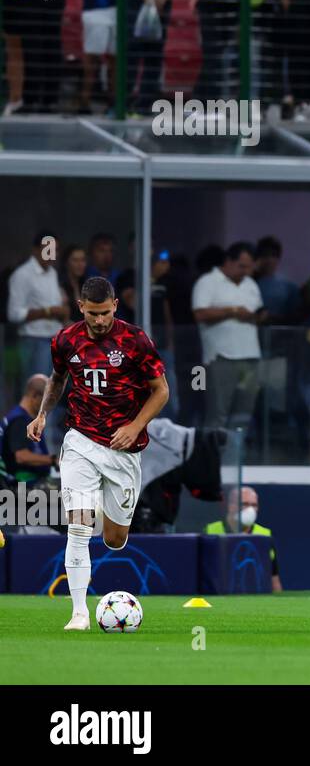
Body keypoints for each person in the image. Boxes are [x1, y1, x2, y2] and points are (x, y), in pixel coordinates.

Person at [28, 276, 169, 630]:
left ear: (115, 306)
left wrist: (135, 426)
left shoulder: (135, 340)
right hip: (81, 441)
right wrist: (43, 414)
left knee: (114, 538)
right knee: (79, 526)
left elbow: (161, 390)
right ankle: (78, 613)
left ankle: (106, 510)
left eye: (105, 312)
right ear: (81, 308)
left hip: (124, 450)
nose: (100, 320)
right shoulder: (65, 340)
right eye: (93, 313)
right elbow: (58, 378)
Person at [191, 242, 264, 431]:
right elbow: (200, 314)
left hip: (250, 357)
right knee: (218, 414)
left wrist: (255, 316)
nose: (246, 271)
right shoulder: (207, 282)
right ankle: (212, 460)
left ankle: (234, 459)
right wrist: (232, 311)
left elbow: (259, 313)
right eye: (241, 266)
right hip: (221, 357)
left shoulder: (251, 284)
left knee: (243, 415)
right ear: (228, 261)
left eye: (249, 267)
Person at [8, 232, 69, 381]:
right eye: (47, 248)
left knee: (52, 392)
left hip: (54, 340)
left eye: (55, 249)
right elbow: (13, 314)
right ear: (35, 250)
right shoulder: (22, 275)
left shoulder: (52, 273)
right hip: (34, 340)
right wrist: (48, 311)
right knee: (36, 392)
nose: (51, 253)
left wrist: (62, 310)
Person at [205, 485, 283, 591]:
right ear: (231, 506)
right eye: (245, 504)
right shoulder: (210, 531)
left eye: (254, 505)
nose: (251, 509)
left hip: (255, 596)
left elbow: (274, 577)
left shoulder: (264, 535)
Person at [2, 374, 53, 483]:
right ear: (35, 396)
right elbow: (21, 456)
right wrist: (53, 460)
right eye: (45, 401)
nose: (47, 406)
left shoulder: (26, 417)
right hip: (21, 484)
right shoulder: (19, 420)